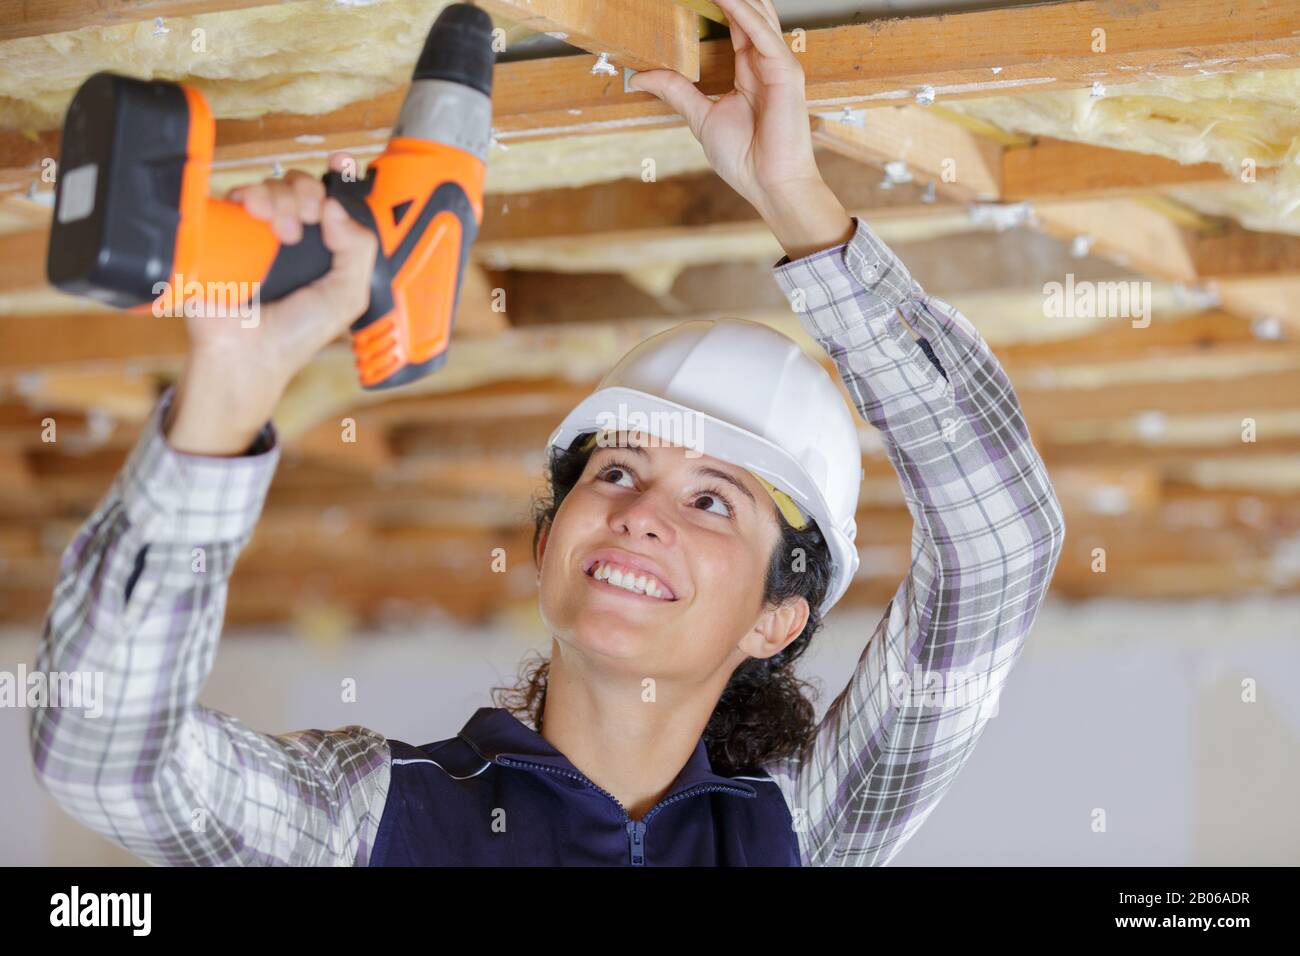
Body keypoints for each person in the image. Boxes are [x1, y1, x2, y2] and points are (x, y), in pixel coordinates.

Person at [29, 0, 1064, 866]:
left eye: (713, 497)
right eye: (616, 469)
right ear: (545, 543)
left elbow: (999, 540)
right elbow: (100, 752)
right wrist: (231, 385)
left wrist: (795, 196)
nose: (639, 516)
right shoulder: (373, 819)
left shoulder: (801, 829)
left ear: (775, 620)